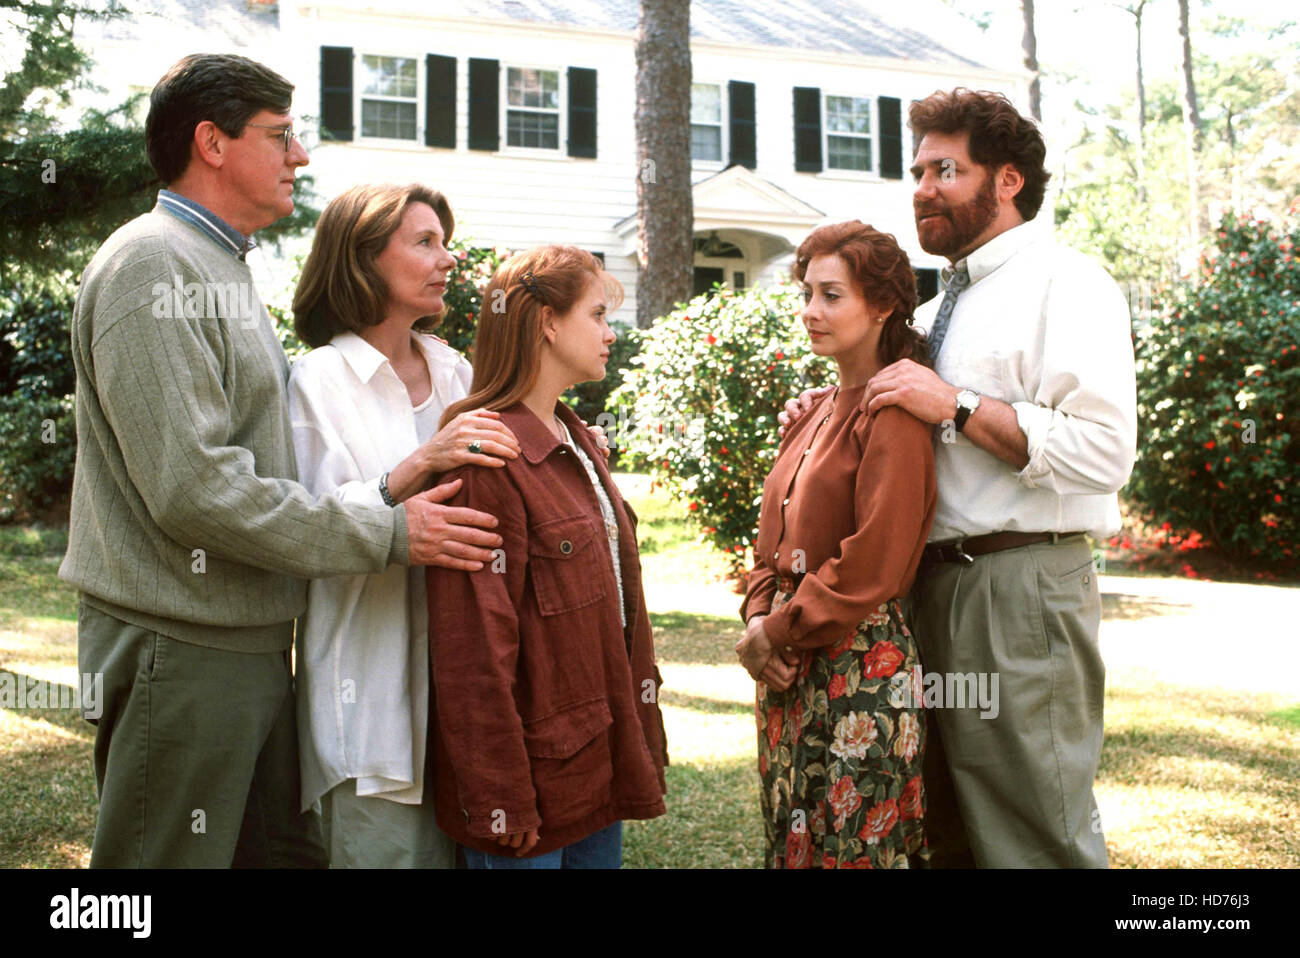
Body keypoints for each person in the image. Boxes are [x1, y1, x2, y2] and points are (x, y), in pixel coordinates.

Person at [59, 54, 503, 868]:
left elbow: (263, 477)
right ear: (212, 143)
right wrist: (391, 533)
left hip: (249, 641)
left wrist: (387, 493)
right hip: (179, 642)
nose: (300, 156)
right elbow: (193, 489)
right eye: (280, 135)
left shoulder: (218, 264)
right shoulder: (153, 263)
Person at [781, 89, 1137, 868]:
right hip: (924, 598)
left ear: (1008, 180)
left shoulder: (1065, 285)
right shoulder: (948, 301)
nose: (923, 188)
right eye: (916, 171)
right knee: (945, 832)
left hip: (1019, 588)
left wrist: (959, 403)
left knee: (1035, 828)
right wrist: (834, 402)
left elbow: (1105, 452)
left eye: (947, 169)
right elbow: (902, 414)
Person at [286, 183, 523, 867]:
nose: (447, 258)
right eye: (425, 242)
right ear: (363, 258)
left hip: (467, 709)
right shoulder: (318, 380)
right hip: (372, 711)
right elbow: (310, 535)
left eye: (444, 242)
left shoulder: (457, 372)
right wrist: (420, 464)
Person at [425, 246, 668, 868]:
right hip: (529, 791)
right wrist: (499, 792)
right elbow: (473, 642)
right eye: (597, 314)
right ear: (547, 323)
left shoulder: (578, 439)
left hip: (598, 764)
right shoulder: (488, 456)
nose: (612, 334)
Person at [736, 222, 937, 869]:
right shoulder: (816, 408)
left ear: (881, 306)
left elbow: (874, 559)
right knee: (793, 846)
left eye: (831, 296)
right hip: (790, 673)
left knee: (852, 852)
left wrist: (779, 631)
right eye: (807, 293)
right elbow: (771, 545)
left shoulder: (895, 410)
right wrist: (758, 621)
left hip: (857, 673)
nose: (810, 311)